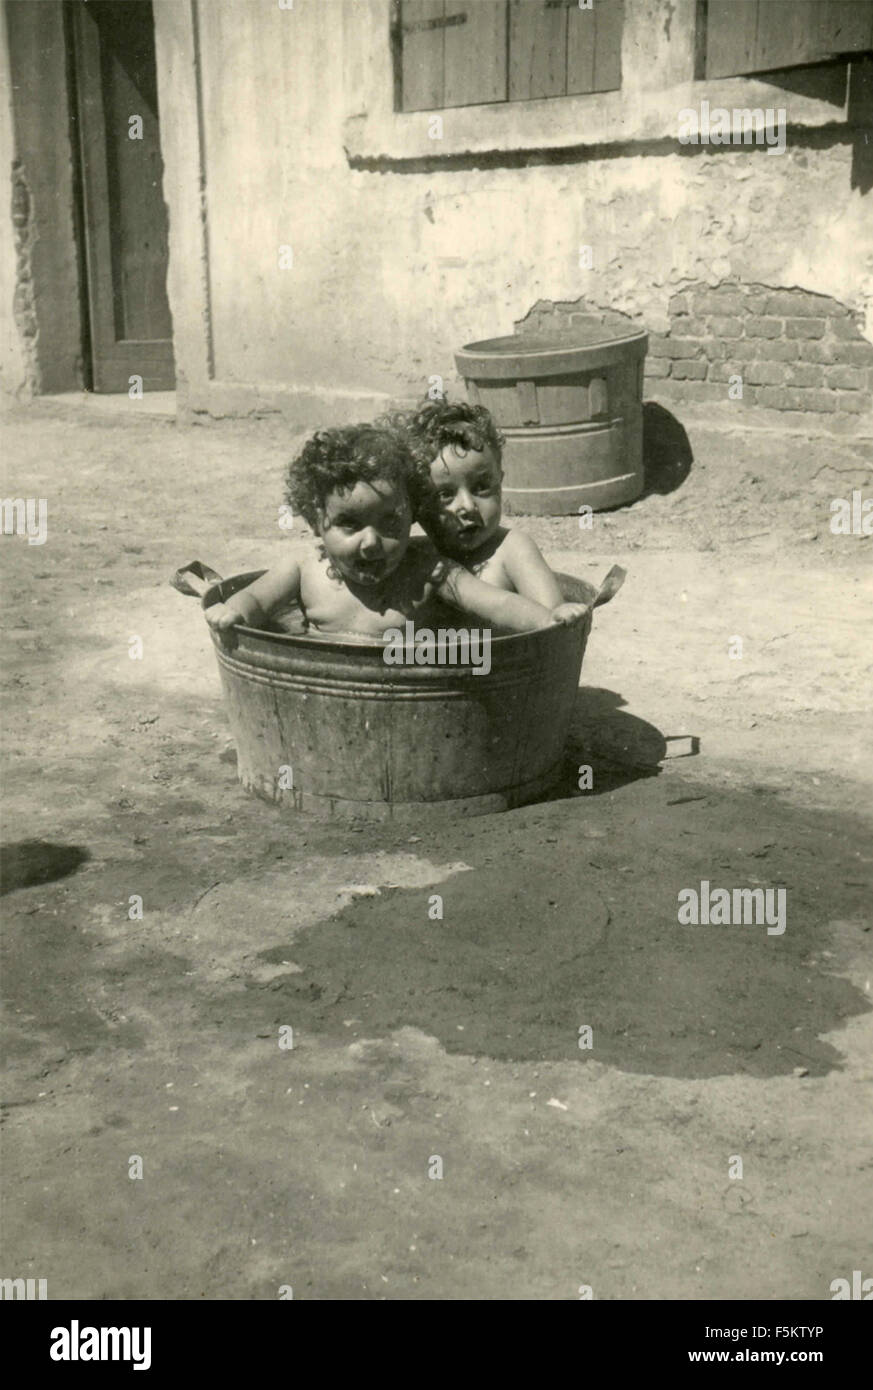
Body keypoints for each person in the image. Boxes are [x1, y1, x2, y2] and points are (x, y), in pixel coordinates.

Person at [205, 423, 581, 642]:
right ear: (314, 520)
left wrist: (548, 619)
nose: (371, 542)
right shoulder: (301, 568)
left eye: (390, 524)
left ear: (412, 517)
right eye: (350, 524)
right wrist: (234, 612)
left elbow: (497, 603)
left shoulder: (431, 571)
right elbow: (256, 600)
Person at [400, 396, 589, 623]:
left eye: (481, 487)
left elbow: (552, 618)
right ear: (416, 507)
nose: (468, 507)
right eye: (445, 495)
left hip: (507, 657)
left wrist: (559, 613)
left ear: (500, 481)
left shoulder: (512, 549)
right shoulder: (416, 555)